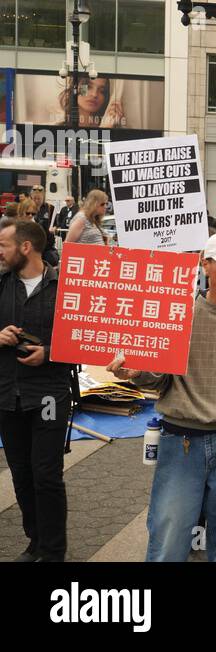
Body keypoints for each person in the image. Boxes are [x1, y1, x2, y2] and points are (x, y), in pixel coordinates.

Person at [109, 232, 216, 562]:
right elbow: (158, 374)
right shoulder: (180, 311)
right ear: (206, 264)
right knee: (169, 530)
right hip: (180, 436)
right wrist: (133, 372)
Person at [0, 218, 73, 562]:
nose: (0, 252)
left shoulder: (65, 285)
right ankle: (36, 542)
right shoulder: (2, 283)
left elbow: (85, 338)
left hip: (49, 394)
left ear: (25, 247)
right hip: (7, 395)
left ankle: (54, 550)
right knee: (22, 474)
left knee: (46, 475)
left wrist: (50, 352)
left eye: (4, 246)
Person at [60, 77, 124, 128]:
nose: (94, 94)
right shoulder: (61, 128)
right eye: (88, 87)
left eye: (102, 91)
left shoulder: (113, 126)